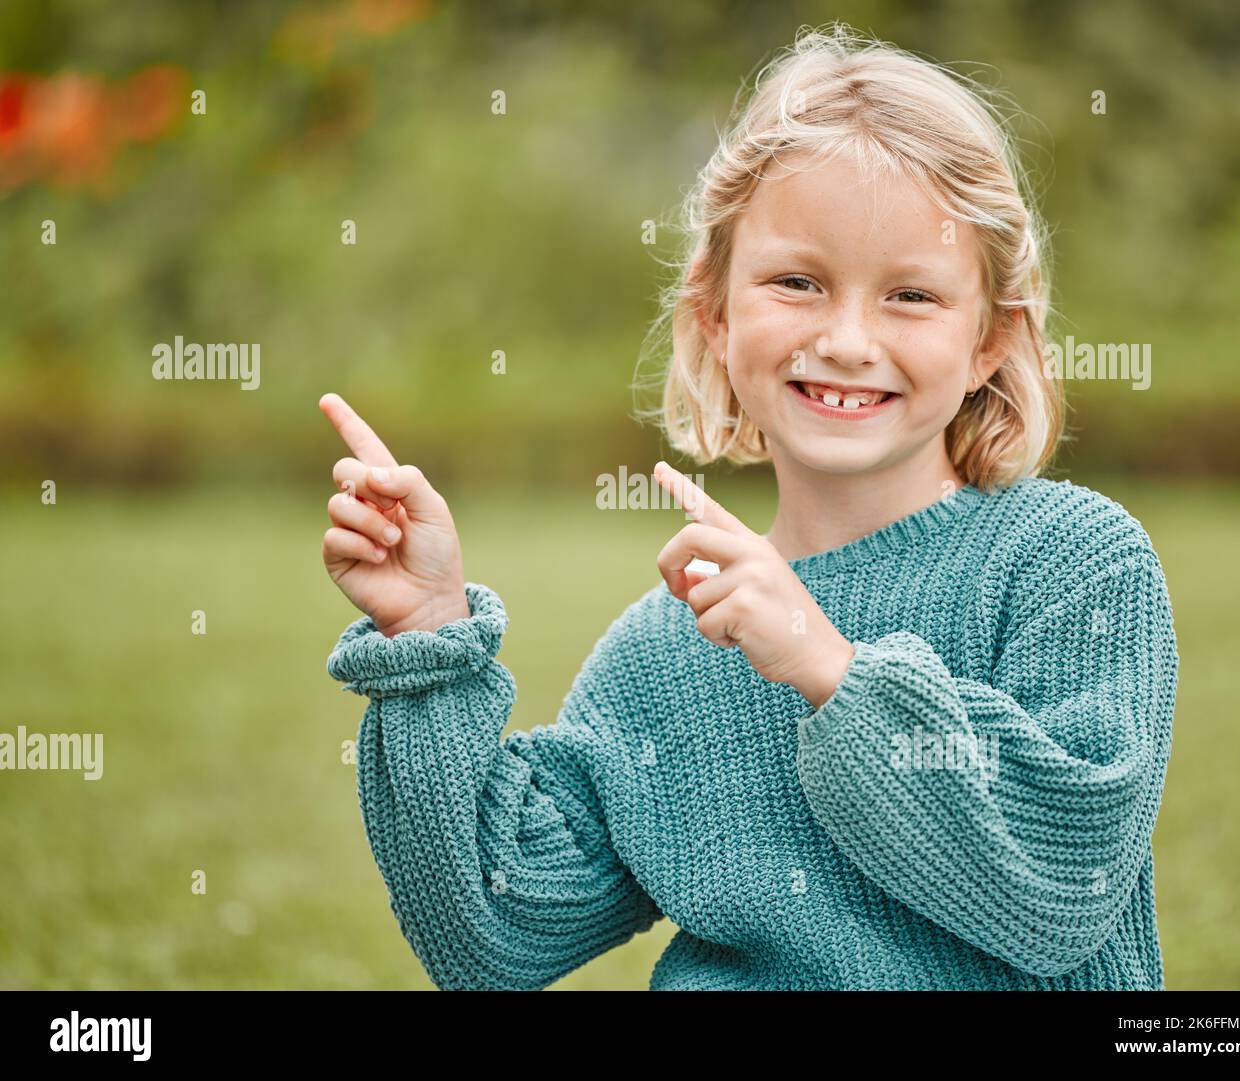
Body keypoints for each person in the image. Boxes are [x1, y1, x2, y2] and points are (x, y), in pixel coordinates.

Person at [319, 21, 1178, 990]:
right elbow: (491, 935)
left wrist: (831, 671)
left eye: (909, 295)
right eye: (797, 282)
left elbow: (1062, 890)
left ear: (989, 338)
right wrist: (428, 637)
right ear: (714, 315)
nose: (849, 339)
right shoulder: (666, 650)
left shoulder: (1073, 561)